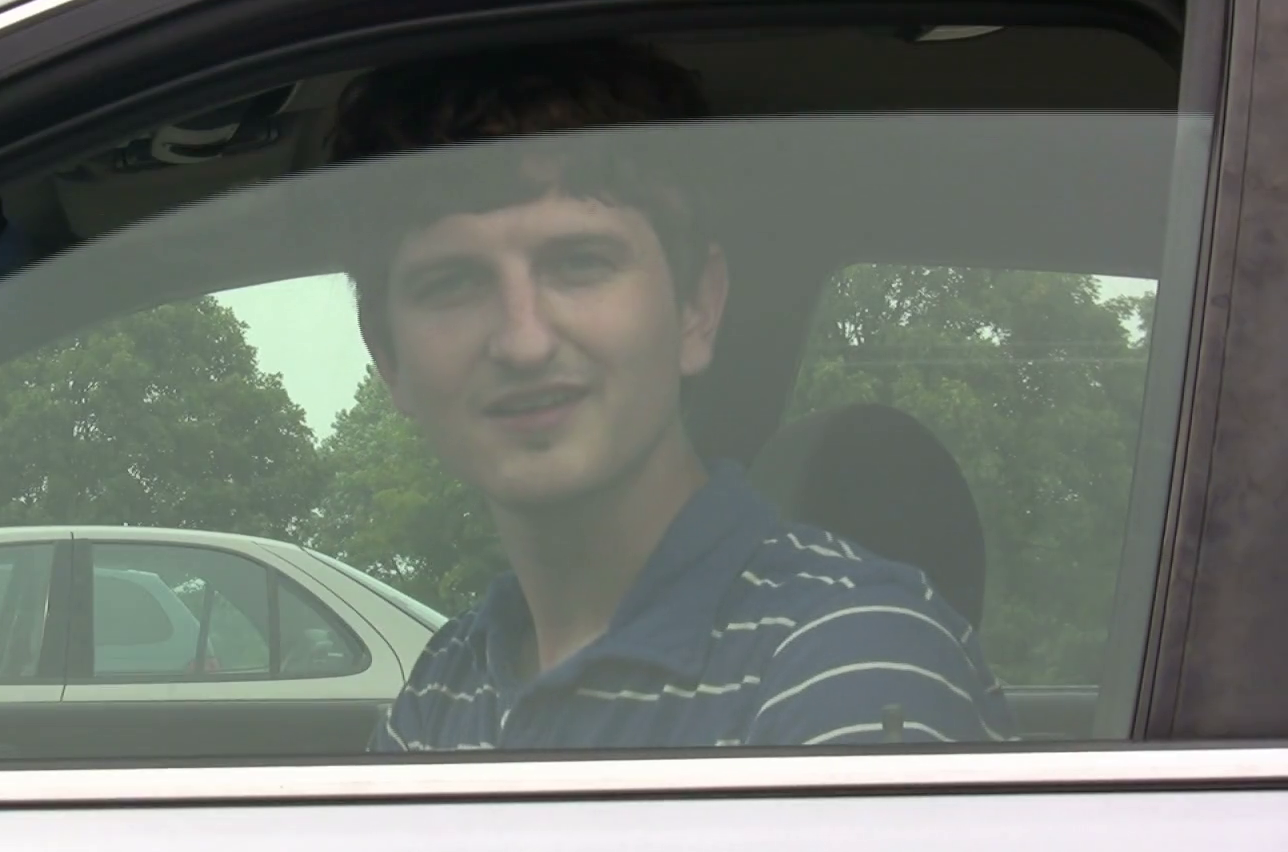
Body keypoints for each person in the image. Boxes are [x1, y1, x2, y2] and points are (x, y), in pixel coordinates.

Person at [329, 39, 1016, 750]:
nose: (523, 340)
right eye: (454, 283)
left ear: (696, 308)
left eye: (579, 264)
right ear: (389, 358)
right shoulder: (448, 677)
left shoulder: (851, 660)